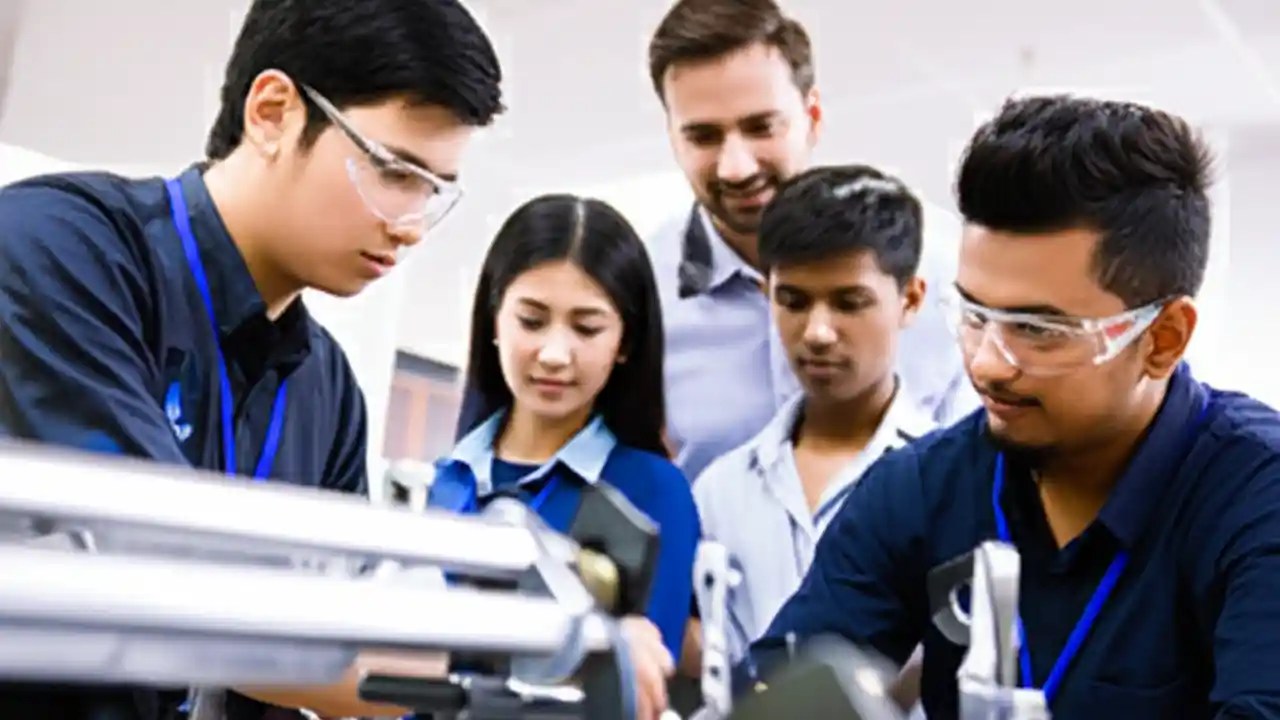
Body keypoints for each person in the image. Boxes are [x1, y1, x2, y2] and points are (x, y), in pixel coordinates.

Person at [629, 93, 1280, 719]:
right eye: (975, 314)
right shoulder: (924, 488)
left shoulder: (1255, 493)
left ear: (1162, 338)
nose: (988, 363)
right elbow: (777, 695)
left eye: (1040, 330)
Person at [0, 0, 503, 718]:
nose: (411, 225)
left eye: (432, 191)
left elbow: (329, 646)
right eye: (394, 170)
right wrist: (492, 660)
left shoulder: (327, 391)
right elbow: (154, 576)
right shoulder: (62, 252)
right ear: (272, 112)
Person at [642, 0, 975, 482]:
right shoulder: (639, 295)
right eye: (703, 137)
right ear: (673, 137)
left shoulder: (941, 261)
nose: (736, 166)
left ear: (812, 116)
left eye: (761, 127)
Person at [435, 193, 701, 719]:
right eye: (532, 321)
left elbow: (638, 692)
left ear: (625, 342)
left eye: (586, 328)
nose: (555, 355)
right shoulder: (445, 482)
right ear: (495, 319)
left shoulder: (651, 492)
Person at [691, 164, 935, 668]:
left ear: (909, 300)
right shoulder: (719, 491)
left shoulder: (950, 483)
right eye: (794, 301)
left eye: (849, 303)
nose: (818, 332)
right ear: (766, 297)